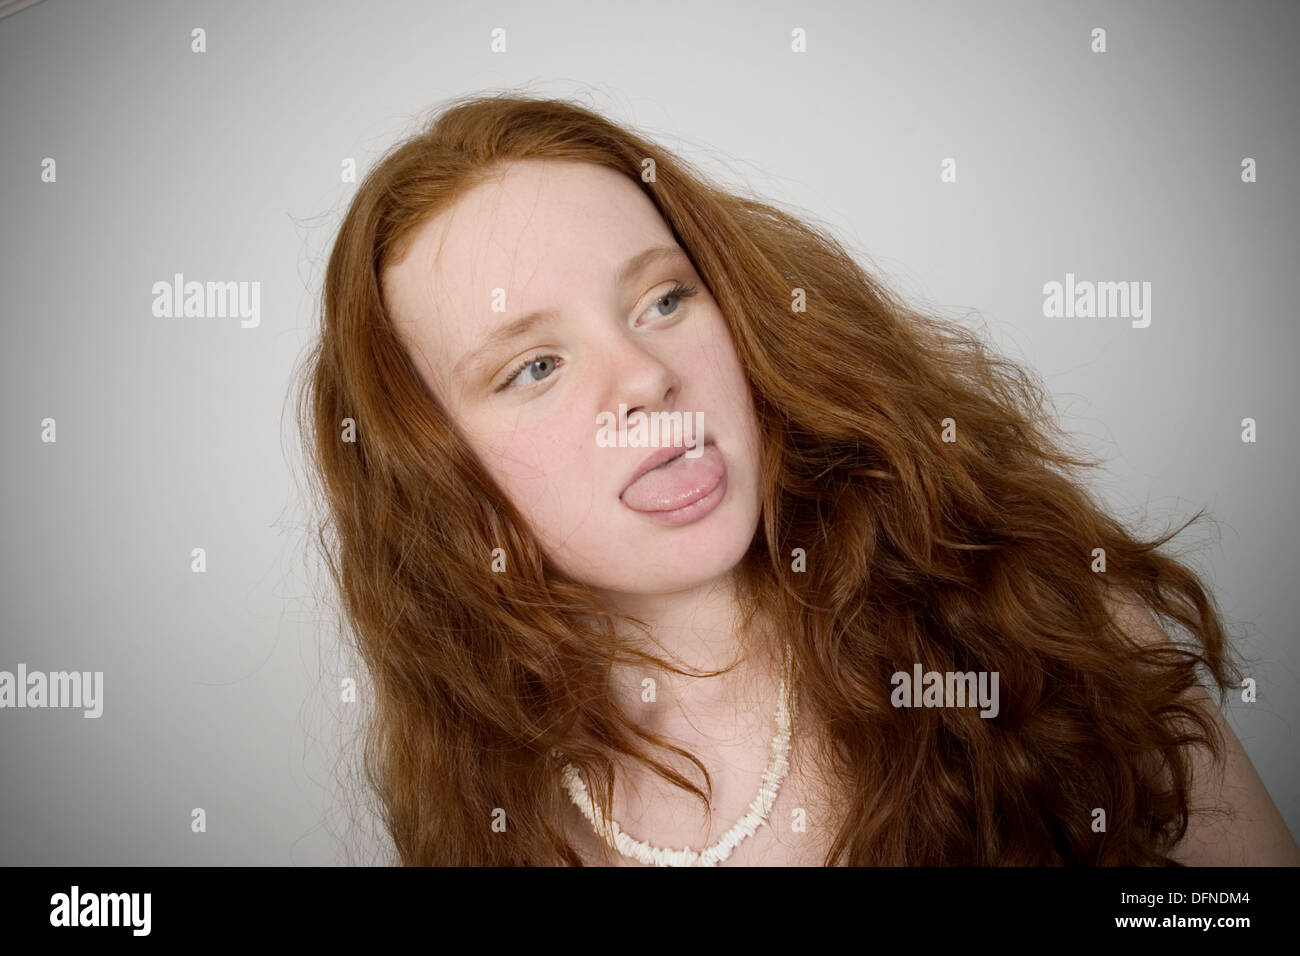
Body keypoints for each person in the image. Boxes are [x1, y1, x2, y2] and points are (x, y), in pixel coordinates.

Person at [294, 91, 1300, 866]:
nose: (646, 375)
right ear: (439, 474)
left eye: (662, 298)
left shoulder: (1043, 615)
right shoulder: (474, 801)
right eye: (536, 366)